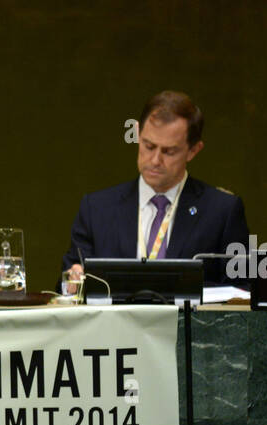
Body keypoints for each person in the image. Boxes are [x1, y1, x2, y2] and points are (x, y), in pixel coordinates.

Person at [63, 91, 249, 286]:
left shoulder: (222, 211)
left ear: (193, 150)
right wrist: (73, 279)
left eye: (169, 151)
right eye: (148, 146)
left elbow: (241, 292)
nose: (155, 161)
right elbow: (65, 284)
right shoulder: (96, 209)